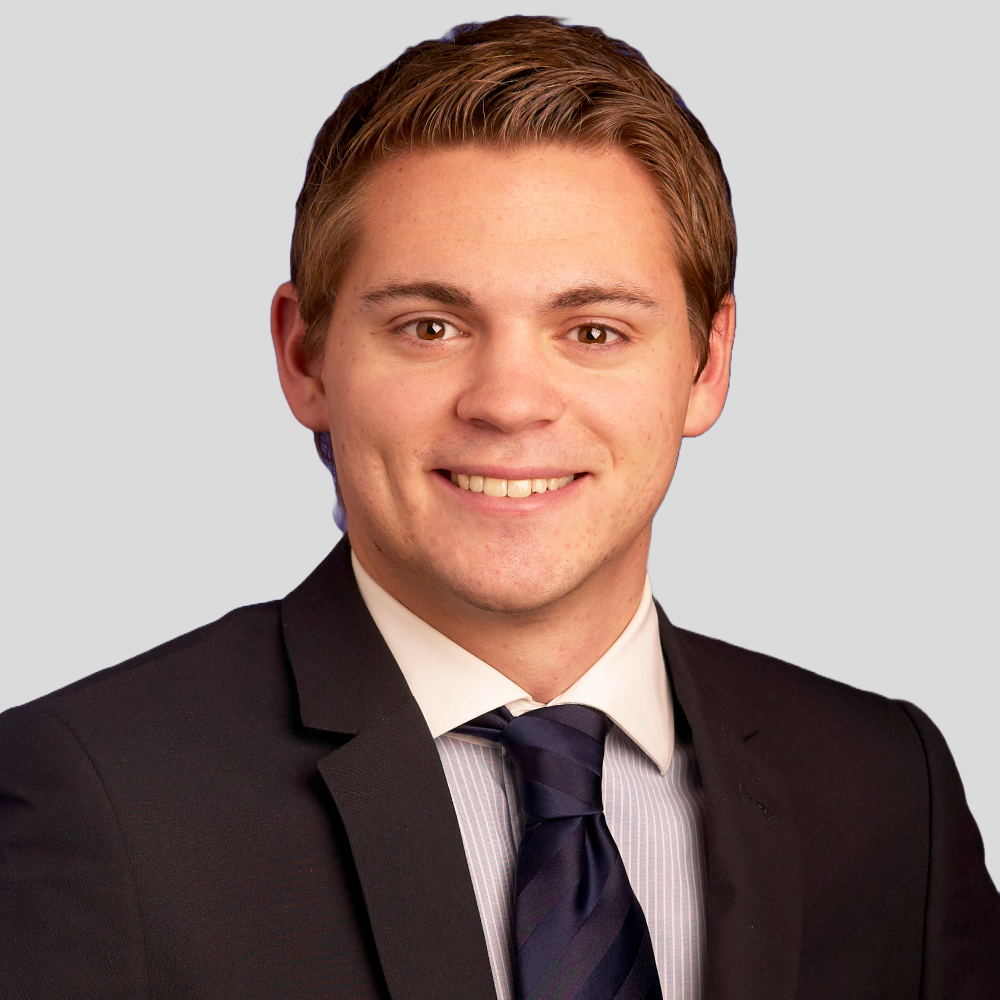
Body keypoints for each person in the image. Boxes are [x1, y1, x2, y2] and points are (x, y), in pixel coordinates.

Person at [1, 15, 997, 1000]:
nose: (510, 403)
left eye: (594, 331)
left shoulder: (885, 788)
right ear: (305, 358)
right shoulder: (90, 800)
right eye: (429, 327)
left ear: (707, 365)